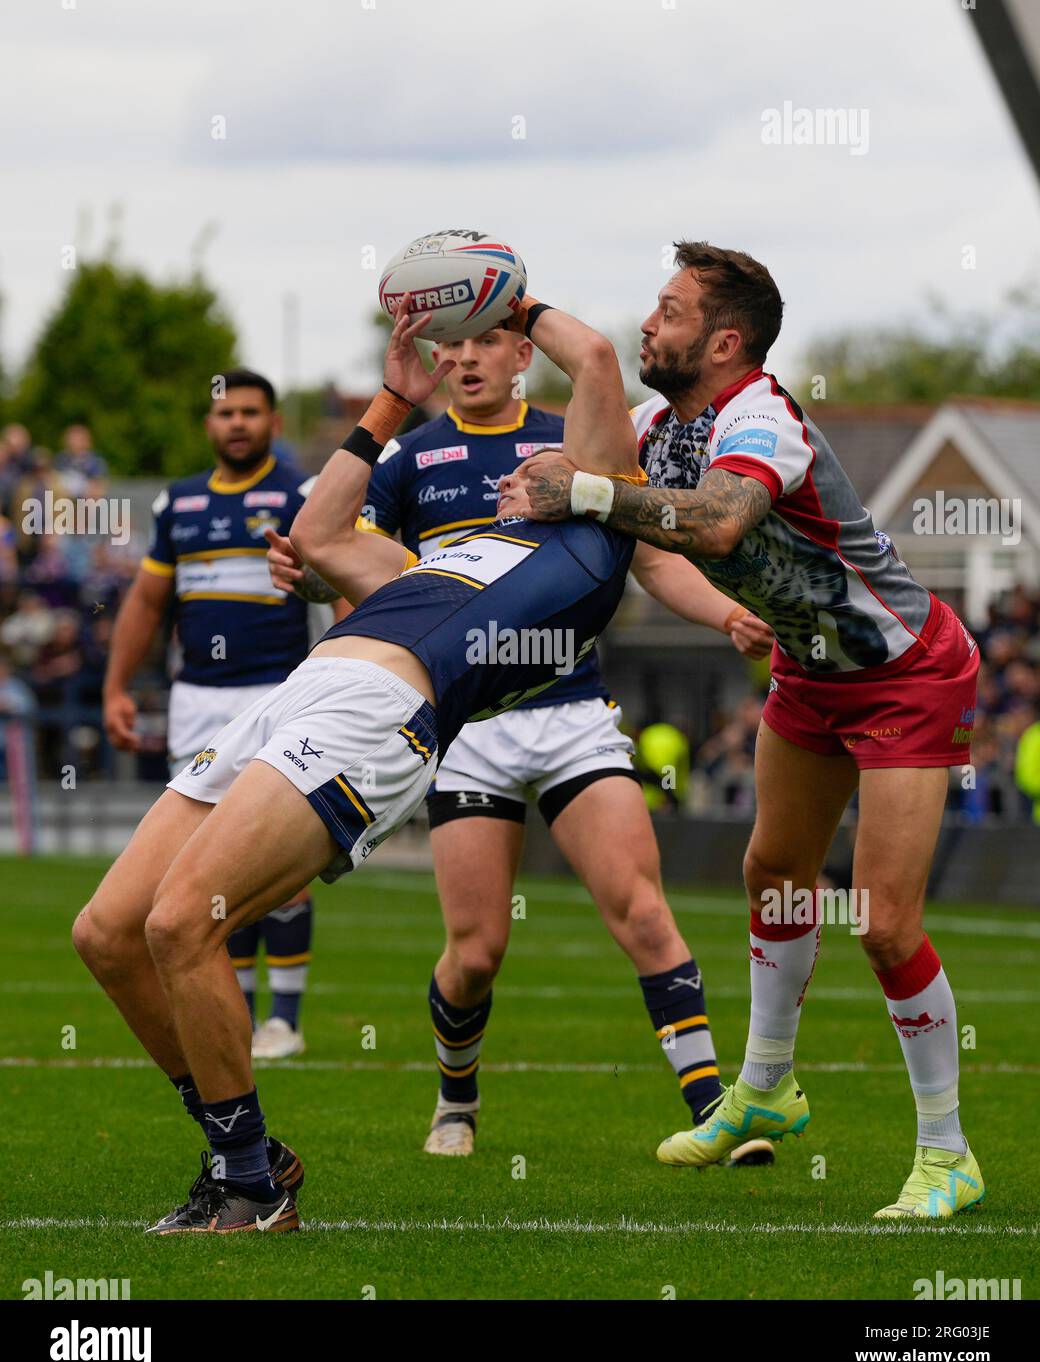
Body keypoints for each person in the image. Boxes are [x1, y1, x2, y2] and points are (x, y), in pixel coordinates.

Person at [73, 293, 657, 1233]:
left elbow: (591, 358)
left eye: (539, 464)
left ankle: (250, 1188)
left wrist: (509, 296)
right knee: (108, 932)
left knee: (181, 924)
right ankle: (247, 1154)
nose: (514, 471)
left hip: (379, 716)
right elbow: (316, 538)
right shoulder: (458, 559)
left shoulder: (588, 549)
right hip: (301, 692)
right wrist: (390, 404)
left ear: (592, 475)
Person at [510, 244, 984, 1220]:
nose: (650, 323)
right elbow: (599, 430)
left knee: (883, 923)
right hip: (810, 671)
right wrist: (515, 316)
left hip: (903, 673)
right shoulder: (661, 427)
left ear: (724, 342)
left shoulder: (761, 415)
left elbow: (718, 523)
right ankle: (765, 1088)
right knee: (770, 872)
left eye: (670, 310)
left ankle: (947, 1155)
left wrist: (586, 488)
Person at [266, 325, 775, 1159]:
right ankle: (456, 1101)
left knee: (645, 913)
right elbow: (355, 570)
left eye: (486, 342)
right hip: (469, 724)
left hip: (572, 712)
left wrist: (728, 615)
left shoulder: (575, 442)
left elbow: (648, 561)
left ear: (522, 355)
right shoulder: (407, 460)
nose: (466, 359)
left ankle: (711, 1108)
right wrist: (309, 574)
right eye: (452, 347)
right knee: (476, 953)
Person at [102, 369, 346, 1059]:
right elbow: (147, 601)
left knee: (276, 859)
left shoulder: (302, 495)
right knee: (202, 866)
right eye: (225, 413)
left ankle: (285, 1020)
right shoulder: (178, 503)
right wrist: (116, 685)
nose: (237, 423)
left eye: (250, 412)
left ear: (273, 422)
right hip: (196, 703)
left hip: (280, 695)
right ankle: (234, 1013)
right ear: (208, 424)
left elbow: (344, 587)